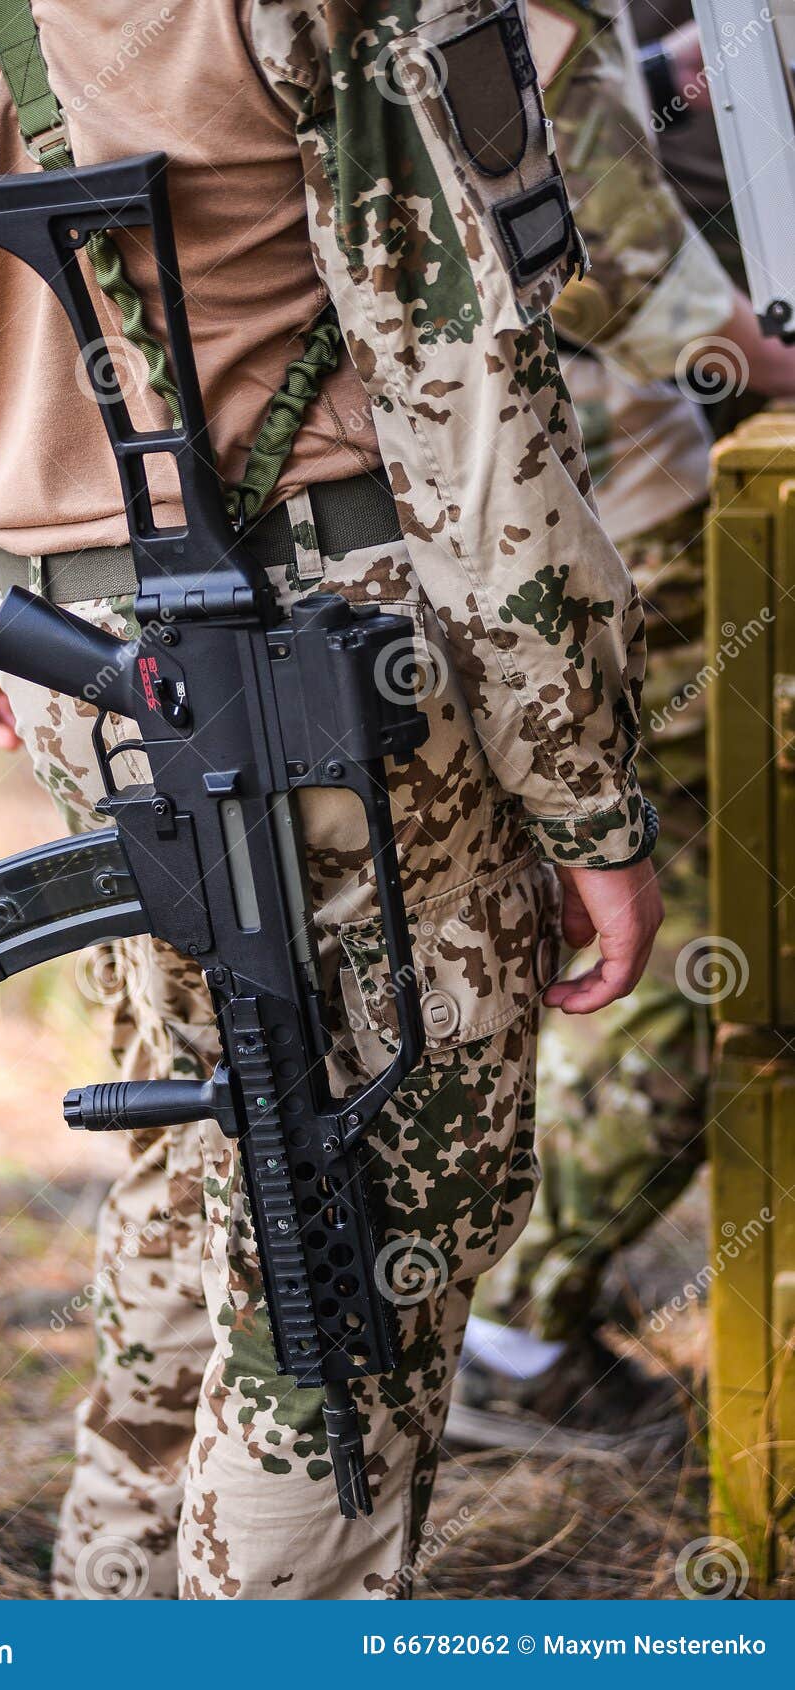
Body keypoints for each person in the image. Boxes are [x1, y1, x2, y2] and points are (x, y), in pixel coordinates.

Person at [0, 0, 662, 1598]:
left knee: (200, 1178)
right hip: (333, 650)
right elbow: (465, 385)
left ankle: (116, 1610)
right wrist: (586, 795)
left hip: (78, 645)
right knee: (347, 1272)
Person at [453, 0, 795, 1444]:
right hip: (619, 513)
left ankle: (505, 1317)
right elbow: (599, 239)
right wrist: (763, 362)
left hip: (549, 506)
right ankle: (507, 1325)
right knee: (721, 946)